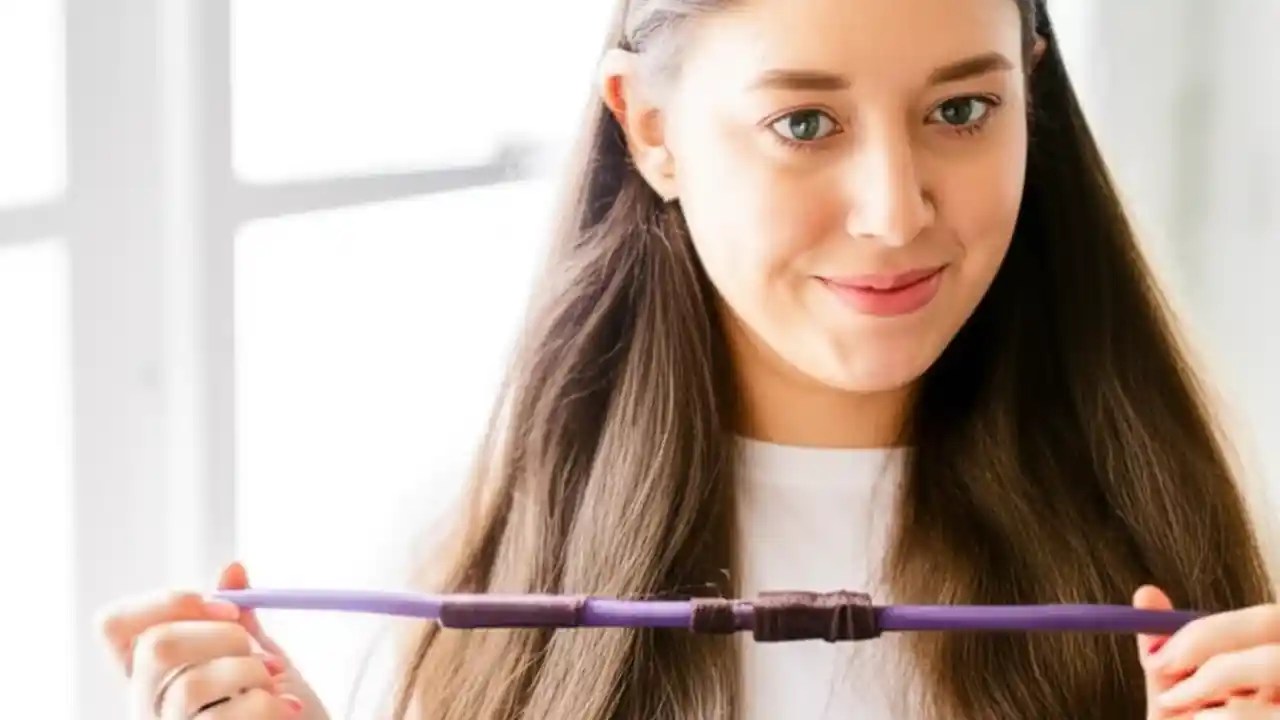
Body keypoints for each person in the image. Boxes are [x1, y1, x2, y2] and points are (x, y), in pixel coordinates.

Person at [97, 0, 1280, 717]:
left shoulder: (1200, 563)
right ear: (650, 128)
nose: (892, 210)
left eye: (959, 111)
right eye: (803, 124)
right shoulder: (451, 563)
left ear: (1027, 93)